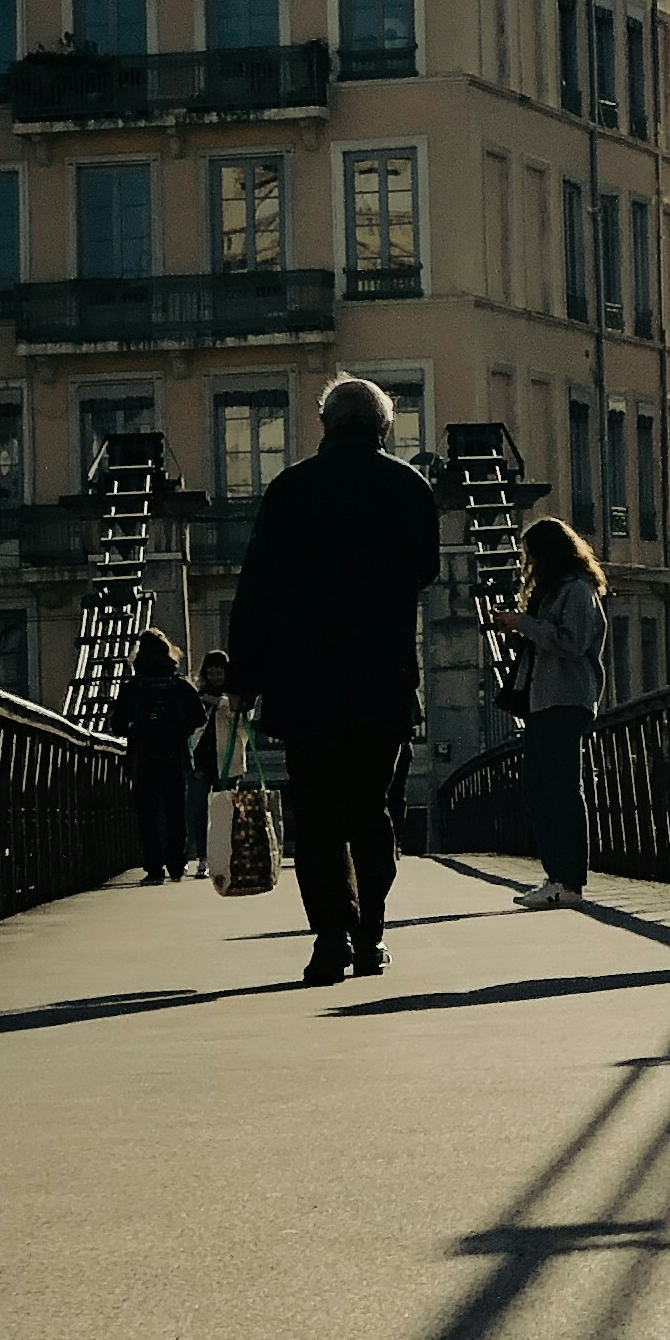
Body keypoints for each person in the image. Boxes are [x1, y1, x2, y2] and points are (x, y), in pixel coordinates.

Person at [224, 372, 442, 986]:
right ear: (384, 427)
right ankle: (370, 933)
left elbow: (256, 589)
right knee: (372, 810)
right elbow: (425, 570)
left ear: (323, 426)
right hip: (382, 679)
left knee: (317, 815)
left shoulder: (290, 488)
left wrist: (243, 677)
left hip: (306, 684)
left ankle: (329, 940)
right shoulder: (408, 486)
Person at [507, 518, 606, 909]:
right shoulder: (556, 592)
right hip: (543, 700)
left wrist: (525, 624)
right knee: (540, 789)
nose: (529, 563)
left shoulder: (578, 591)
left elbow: (573, 642)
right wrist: (523, 633)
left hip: (565, 700)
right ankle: (556, 876)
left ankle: (569, 880)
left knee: (562, 790)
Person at [115, 631, 206, 885]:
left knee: (148, 814)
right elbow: (199, 717)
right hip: (175, 757)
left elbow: (118, 725)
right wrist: (180, 730)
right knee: (176, 811)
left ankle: (154, 868)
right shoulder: (179, 683)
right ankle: (177, 864)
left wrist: (137, 729)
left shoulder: (134, 686)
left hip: (143, 758)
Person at [186, 647, 231, 881]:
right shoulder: (196, 695)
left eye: (219, 674)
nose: (215, 678)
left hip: (228, 760)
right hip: (202, 760)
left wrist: (215, 701)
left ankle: (225, 857)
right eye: (211, 674)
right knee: (198, 811)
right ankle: (203, 858)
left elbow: (243, 714)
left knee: (226, 812)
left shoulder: (235, 696)